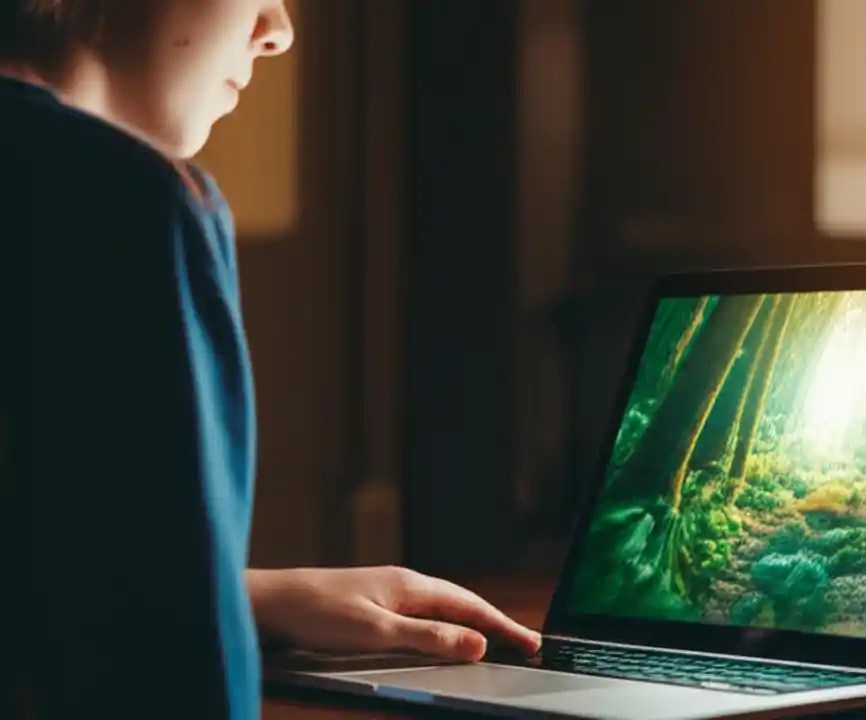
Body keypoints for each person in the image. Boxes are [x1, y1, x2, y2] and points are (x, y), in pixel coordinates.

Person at [0, 1, 540, 717]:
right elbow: (168, 689)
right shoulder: (122, 203)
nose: (278, 29)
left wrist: (246, 597)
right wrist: (195, 607)